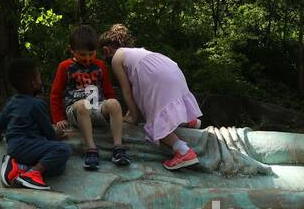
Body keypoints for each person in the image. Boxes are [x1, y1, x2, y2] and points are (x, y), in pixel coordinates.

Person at [99, 23, 203, 171]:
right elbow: (136, 89)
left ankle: (183, 151)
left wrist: (133, 118)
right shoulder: (136, 51)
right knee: (166, 107)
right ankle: (188, 121)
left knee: (154, 125)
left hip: (157, 79)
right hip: (171, 70)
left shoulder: (116, 58)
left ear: (106, 50)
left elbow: (127, 92)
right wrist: (132, 111)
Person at [49, 25, 127, 169]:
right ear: (71, 50)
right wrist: (58, 118)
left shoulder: (100, 65)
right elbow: (55, 94)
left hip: (97, 108)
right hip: (76, 110)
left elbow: (108, 90)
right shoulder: (65, 66)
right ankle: (91, 150)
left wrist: (114, 113)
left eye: (91, 54)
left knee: (114, 103)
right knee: (83, 104)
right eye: (82, 55)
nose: (87, 58)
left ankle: (118, 148)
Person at [0, 57, 69, 191]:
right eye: (39, 77)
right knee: (63, 150)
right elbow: (49, 134)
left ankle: (19, 168)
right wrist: (58, 134)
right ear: (33, 84)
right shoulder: (37, 104)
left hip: (14, 148)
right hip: (27, 146)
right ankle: (31, 174)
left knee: (60, 167)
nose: (41, 81)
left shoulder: (11, 102)